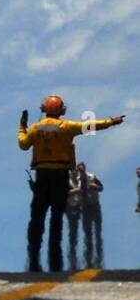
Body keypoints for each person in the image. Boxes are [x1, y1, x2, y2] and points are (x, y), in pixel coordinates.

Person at [19, 97, 124, 272]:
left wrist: (22, 127)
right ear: (61, 110)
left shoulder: (35, 128)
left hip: (42, 177)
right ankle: (55, 263)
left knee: (37, 219)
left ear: (44, 109)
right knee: (57, 219)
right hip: (60, 177)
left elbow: (23, 144)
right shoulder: (66, 127)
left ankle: (34, 260)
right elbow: (91, 125)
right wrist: (111, 122)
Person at [78, 163, 104, 268]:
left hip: (95, 206)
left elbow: (102, 187)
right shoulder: (76, 180)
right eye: (79, 170)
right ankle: (88, 261)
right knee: (88, 234)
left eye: (82, 170)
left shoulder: (92, 177)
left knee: (97, 233)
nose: (81, 172)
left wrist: (96, 186)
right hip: (85, 209)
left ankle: (99, 260)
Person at [65, 164, 85, 270]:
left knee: (75, 230)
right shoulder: (67, 181)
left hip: (78, 206)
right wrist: (76, 190)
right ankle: (71, 254)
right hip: (69, 207)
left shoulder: (81, 180)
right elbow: (64, 193)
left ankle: (74, 251)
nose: (74, 172)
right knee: (72, 230)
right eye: (73, 170)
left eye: (76, 171)